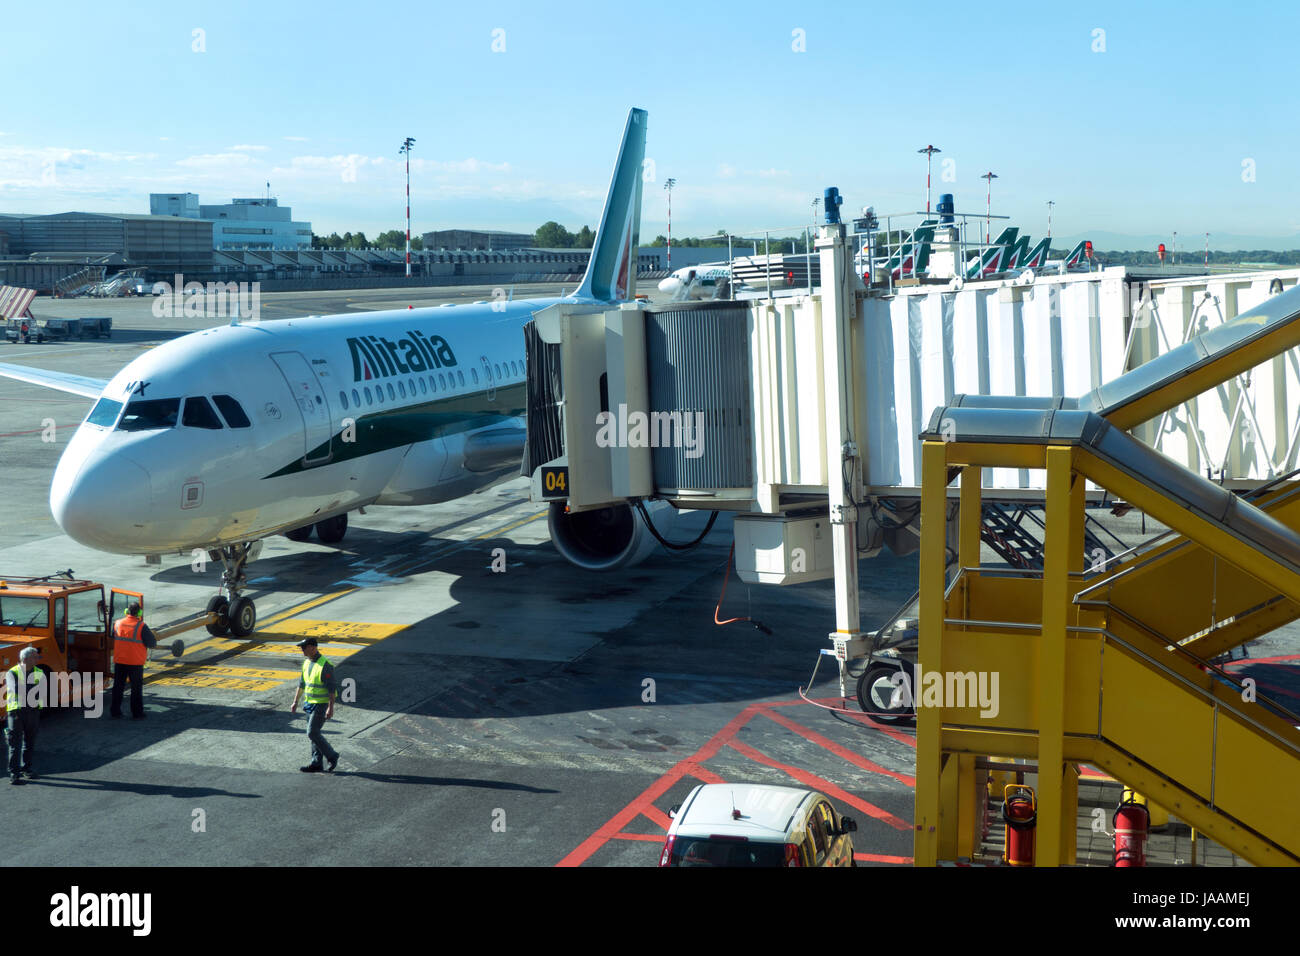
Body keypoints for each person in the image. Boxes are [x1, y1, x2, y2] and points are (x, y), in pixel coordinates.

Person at [289, 637, 338, 773]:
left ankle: (332, 755)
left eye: (304, 648)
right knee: (314, 734)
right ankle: (316, 763)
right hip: (309, 704)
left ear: (312, 647)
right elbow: (302, 684)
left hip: (321, 704)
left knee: (312, 732)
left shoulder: (325, 665)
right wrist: (295, 701)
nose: (302, 650)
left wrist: (330, 707)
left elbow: (332, 688)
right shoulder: (306, 663)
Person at [111, 602, 156, 719]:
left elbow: (113, 636)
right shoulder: (141, 626)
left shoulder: (117, 623)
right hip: (135, 663)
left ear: (127, 611)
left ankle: (115, 711)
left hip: (120, 661)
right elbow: (152, 643)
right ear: (139, 613)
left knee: (118, 687)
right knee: (136, 689)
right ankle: (137, 713)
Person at [5, 647, 43, 785]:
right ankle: (14, 774)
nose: (38, 659)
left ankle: (27, 769)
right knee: (14, 744)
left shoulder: (39, 672)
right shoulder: (12, 673)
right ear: (25, 659)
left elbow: (44, 691)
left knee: (30, 742)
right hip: (16, 712)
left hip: (32, 711)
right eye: (35, 657)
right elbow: (17, 690)